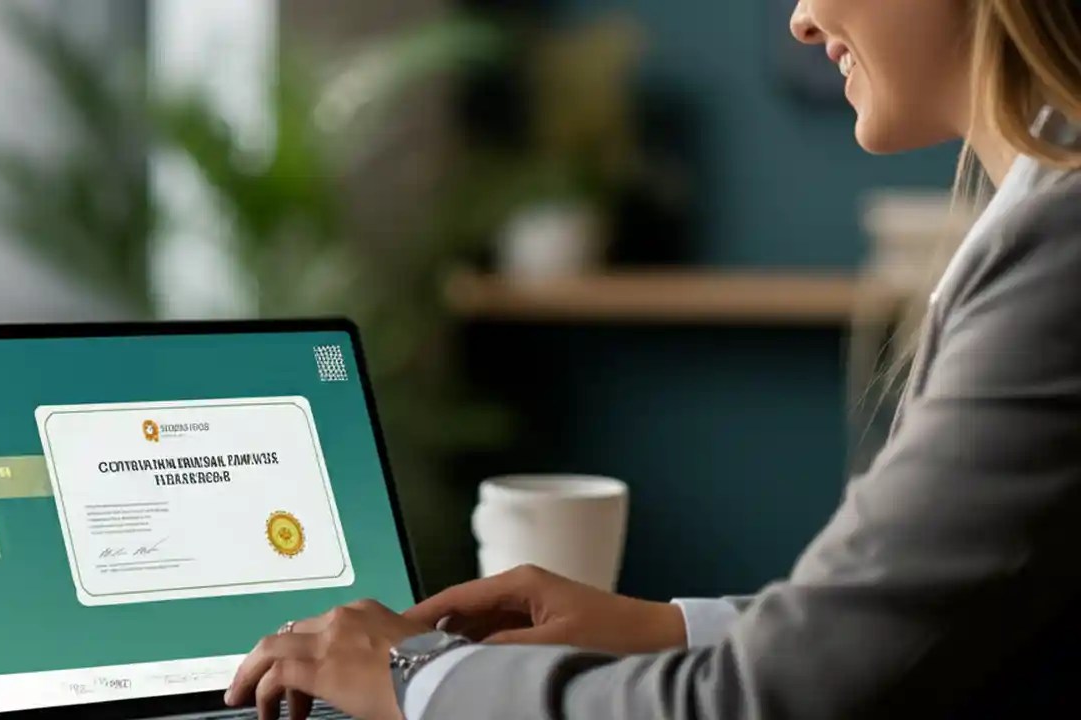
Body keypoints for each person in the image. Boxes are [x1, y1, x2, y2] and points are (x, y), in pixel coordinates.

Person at [226, 0, 1081, 717]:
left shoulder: (1058, 249)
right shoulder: (1040, 225)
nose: (803, 19)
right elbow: (914, 626)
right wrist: (655, 630)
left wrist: (418, 678)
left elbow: (765, 699)